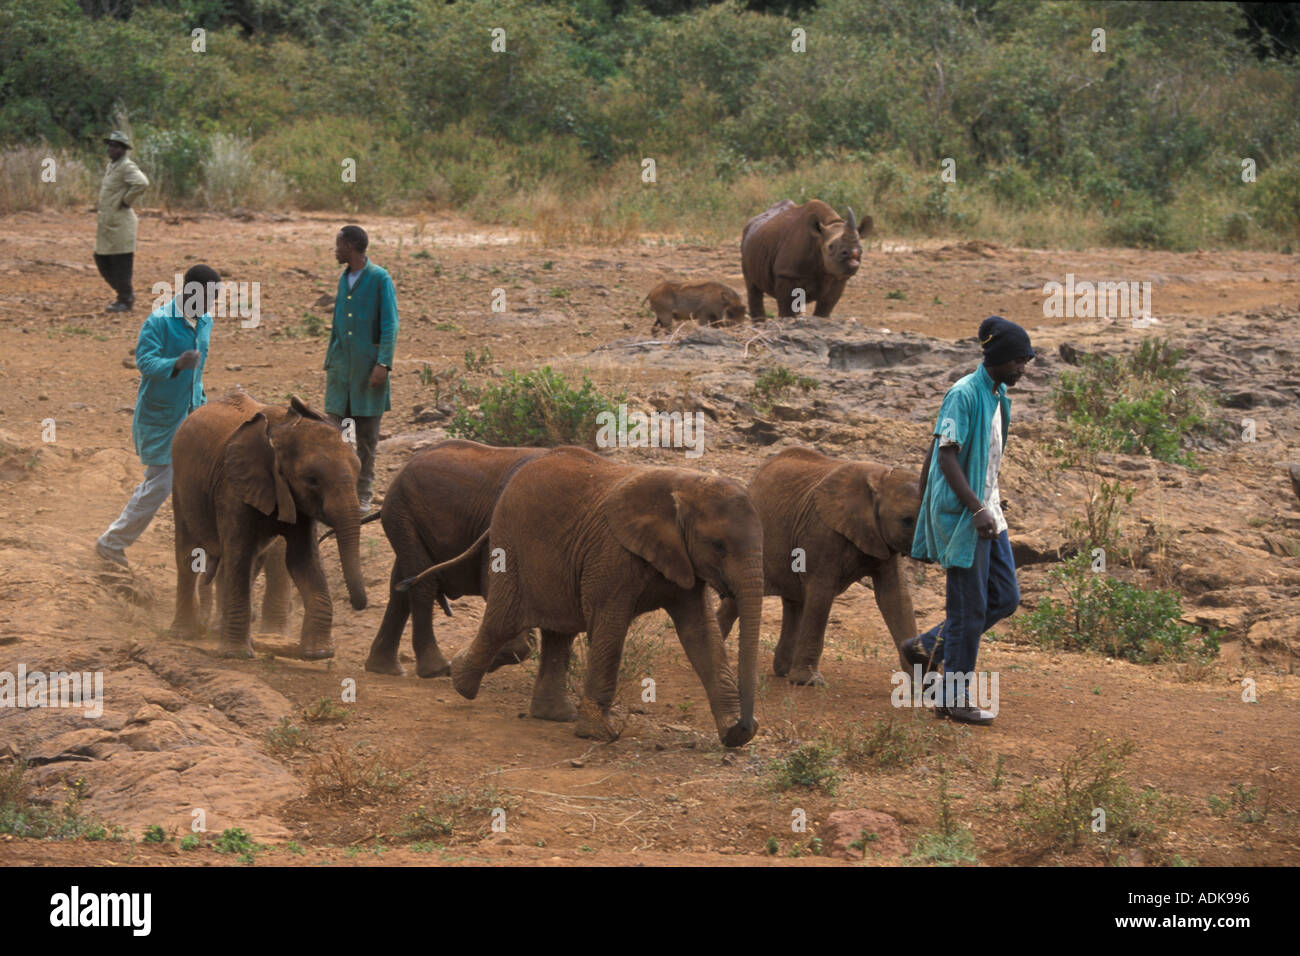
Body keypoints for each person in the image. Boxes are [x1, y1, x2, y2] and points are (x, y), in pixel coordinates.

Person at [902, 315, 1034, 725]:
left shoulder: (995, 395)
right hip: (966, 516)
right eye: (1018, 361)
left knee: (1005, 598)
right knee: (968, 609)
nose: (1022, 369)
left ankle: (923, 648)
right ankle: (953, 699)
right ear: (997, 358)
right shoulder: (964, 393)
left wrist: (986, 507)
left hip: (988, 511)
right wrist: (974, 509)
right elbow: (945, 454)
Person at [96, 266, 221, 569]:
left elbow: (198, 374)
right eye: (210, 296)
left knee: (203, 479)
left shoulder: (205, 320)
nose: (213, 303)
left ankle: (207, 547)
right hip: (161, 417)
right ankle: (111, 543)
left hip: (192, 414)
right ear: (192, 291)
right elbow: (145, 361)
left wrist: (201, 406)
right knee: (160, 484)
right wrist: (175, 364)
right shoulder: (160, 321)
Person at [324, 224, 398, 513]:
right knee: (336, 437)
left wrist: (383, 363)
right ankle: (338, 495)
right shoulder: (344, 279)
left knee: (366, 438)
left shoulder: (379, 279)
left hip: (369, 373)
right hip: (340, 373)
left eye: (339, 244)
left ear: (351, 246)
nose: (335, 250)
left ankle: (363, 494)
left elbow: (391, 324)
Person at [94, 131, 150, 313]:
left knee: (121, 265)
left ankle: (125, 299)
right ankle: (125, 294)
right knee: (101, 258)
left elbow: (142, 183)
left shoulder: (126, 166)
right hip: (109, 223)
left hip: (121, 224)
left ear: (123, 150)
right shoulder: (112, 166)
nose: (111, 148)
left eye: (116, 146)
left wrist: (126, 201)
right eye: (110, 145)